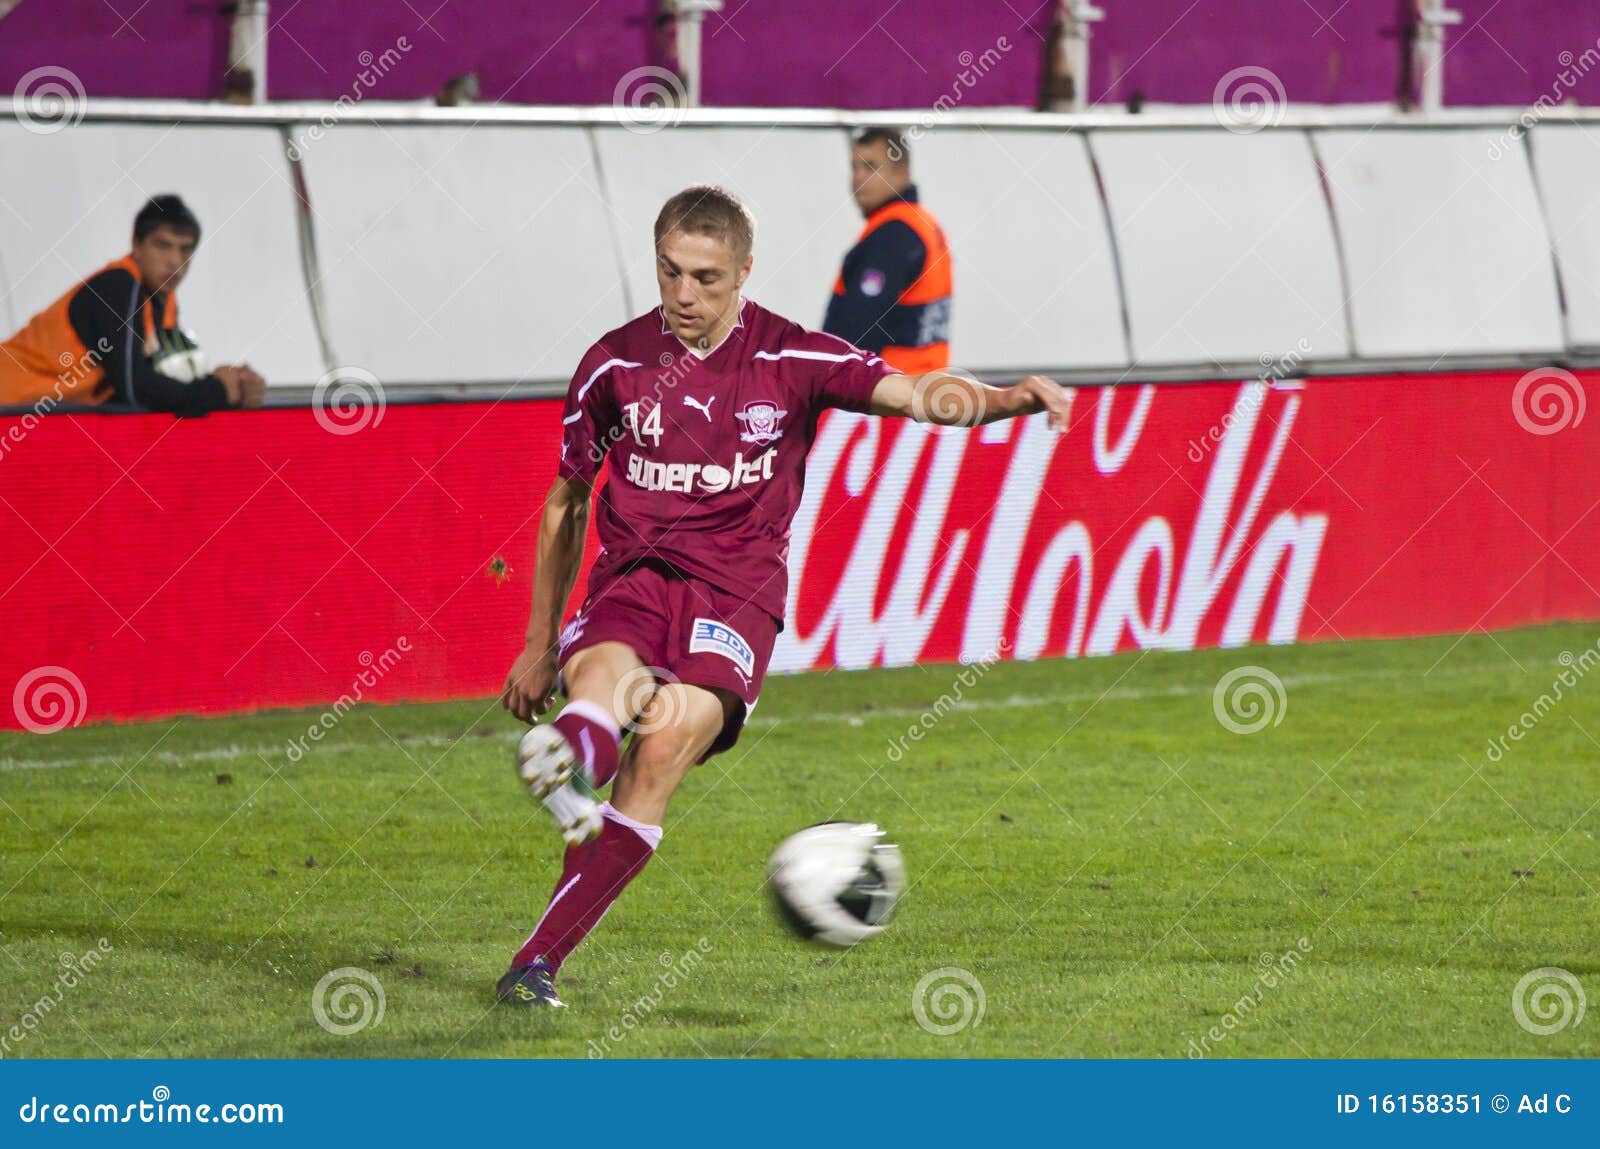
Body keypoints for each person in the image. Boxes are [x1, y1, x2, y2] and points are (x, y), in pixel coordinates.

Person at [495, 184, 1069, 1009]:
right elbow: (567, 501)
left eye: (706, 277)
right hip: (634, 577)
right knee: (605, 686)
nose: (685, 294)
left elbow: (915, 394)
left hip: (736, 597)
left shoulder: (792, 358)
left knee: (663, 741)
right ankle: (571, 757)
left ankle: (536, 955)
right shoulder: (613, 365)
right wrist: (539, 641)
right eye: (670, 272)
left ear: (743, 272)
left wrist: (1007, 400)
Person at [0, 195, 265, 414]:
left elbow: (164, 379)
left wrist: (237, 385)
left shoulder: (163, 299)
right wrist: (218, 390)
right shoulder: (119, 285)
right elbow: (133, 387)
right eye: (163, 246)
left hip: (34, 416)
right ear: (136, 246)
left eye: (185, 249)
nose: (175, 261)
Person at [822, 127, 952, 374]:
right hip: (924, 384)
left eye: (870, 167)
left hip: (888, 389)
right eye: (854, 167)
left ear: (902, 173)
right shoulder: (924, 224)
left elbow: (857, 331)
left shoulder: (893, 234)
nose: (858, 178)